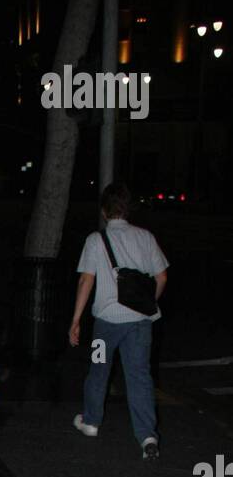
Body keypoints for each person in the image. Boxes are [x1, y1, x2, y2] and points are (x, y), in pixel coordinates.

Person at [68, 183, 169, 460]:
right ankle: (147, 434)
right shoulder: (145, 237)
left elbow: (85, 280)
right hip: (139, 322)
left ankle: (91, 421)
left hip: (106, 323)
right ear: (128, 209)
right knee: (139, 375)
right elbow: (161, 277)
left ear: (104, 211)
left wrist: (75, 320)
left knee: (99, 368)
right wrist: (148, 301)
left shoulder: (95, 240)